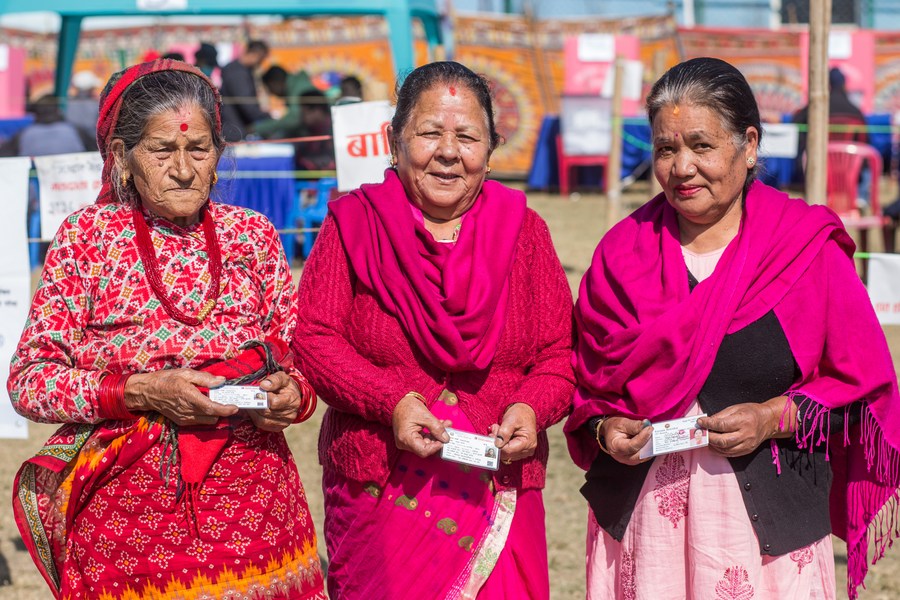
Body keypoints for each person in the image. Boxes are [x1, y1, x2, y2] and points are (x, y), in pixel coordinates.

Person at [564, 57, 900, 600]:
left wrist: (772, 417)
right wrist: (605, 429)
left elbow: (859, 388)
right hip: (646, 531)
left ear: (748, 145)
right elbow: (583, 384)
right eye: (666, 149)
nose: (682, 168)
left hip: (769, 538)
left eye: (702, 146)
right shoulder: (621, 254)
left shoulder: (805, 249)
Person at [8, 59, 326, 600]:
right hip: (129, 523)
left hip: (259, 513)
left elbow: (301, 358)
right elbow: (30, 380)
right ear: (121, 157)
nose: (182, 169)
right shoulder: (87, 238)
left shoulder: (253, 235)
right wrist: (140, 391)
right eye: (162, 151)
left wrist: (292, 396)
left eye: (198, 149)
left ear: (218, 155)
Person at [292, 60, 575, 599]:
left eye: (467, 137)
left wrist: (530, 408)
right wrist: (393, 401)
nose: (448, 152)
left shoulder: (525, 232)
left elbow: (559, 353)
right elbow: (315, 338)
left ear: (491, 150)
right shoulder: (354, 224)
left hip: (499, 482)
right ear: (394, 141)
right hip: (379, 483)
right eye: (429, 133)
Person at [0, 94, 94, 157]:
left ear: (36, 113)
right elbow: (97, 151)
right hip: (72, 178)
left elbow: (4, 155)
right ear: (58, 110)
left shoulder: (24, 134)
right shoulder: (76, 131)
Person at [219, 40, 271, 141]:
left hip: (232, 126)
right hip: (235, 130)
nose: (260, 63)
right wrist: (268, 118)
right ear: (256, 55)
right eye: (261, 59)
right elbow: (246, 104)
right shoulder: (238, 74)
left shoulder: (235, 70)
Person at [256, 65, 316, 140]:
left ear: (274, 83)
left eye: (270, 89)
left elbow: (294, 120)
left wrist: (258, 129)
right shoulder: (296, 87)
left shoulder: (299, 89)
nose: (272, 93)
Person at [294, 90, 335, 171]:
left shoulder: (333, 131)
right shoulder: (310, 131)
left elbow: (329, 163)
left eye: (304, 112)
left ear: (317, 110)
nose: (301, 116)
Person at [66, 70, 103, 139]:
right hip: (91, 141)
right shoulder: (96, 105)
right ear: (89, 89)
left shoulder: (68, 103)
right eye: (93, 89)